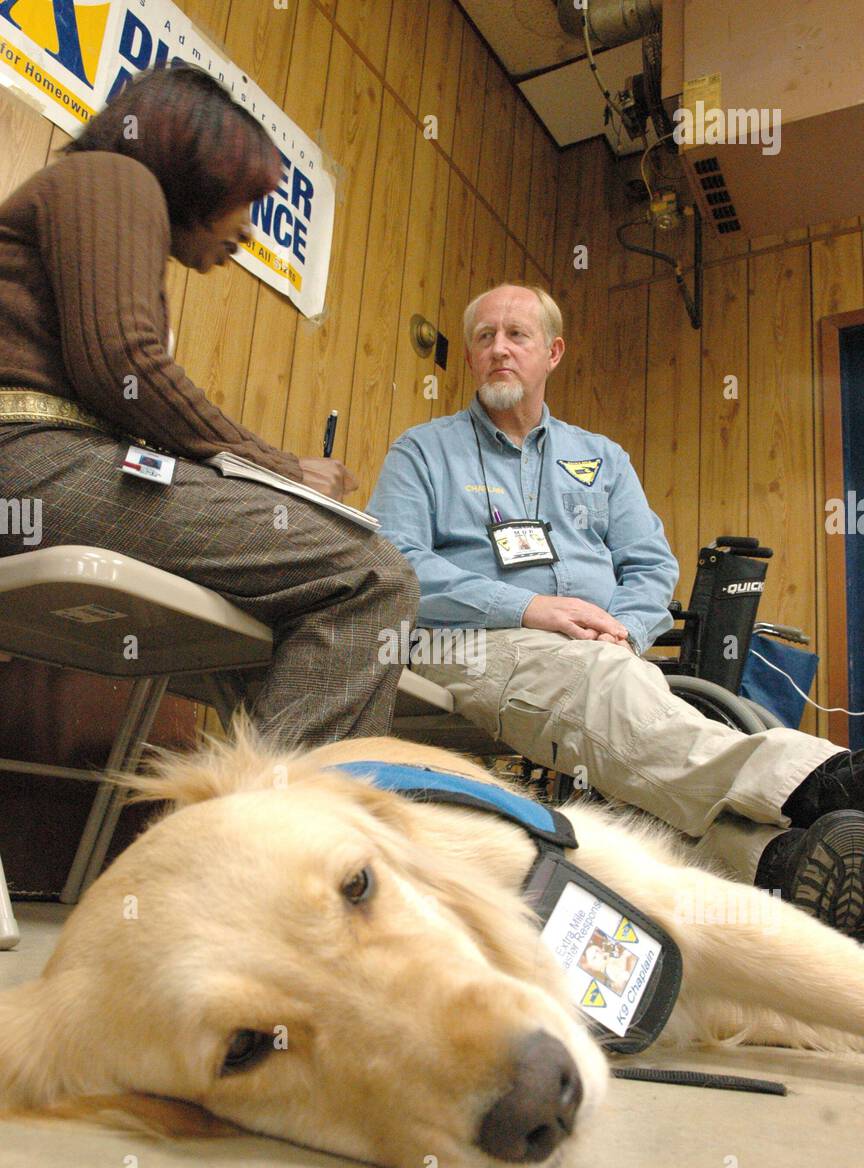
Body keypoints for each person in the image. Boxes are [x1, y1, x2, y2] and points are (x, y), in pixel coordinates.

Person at [369, 283, 864, 936]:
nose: (498, 349)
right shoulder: (423, 451)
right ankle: (819, 783)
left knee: (633, 749)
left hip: (601, 656)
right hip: (463, 643)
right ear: (468, 356)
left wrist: (623, 633)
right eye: (484, 336)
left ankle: (783, 864)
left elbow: (650, 565)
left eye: (517, 334)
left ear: (553, 352)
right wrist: (528, 607)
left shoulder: (600, 458)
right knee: (607, 691)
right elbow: (397, 567)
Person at [0, 65, 418, 745]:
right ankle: (282, 838)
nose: (250, 230)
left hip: (36, 466)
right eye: (243, 200)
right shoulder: (116, 176)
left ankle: (263, 805)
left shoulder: (92, 189)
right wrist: (281, 469)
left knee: (304, 591)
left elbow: (121, 379)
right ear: (196, 171)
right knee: (370, 573)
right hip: (28, 460)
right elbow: (125, 365)